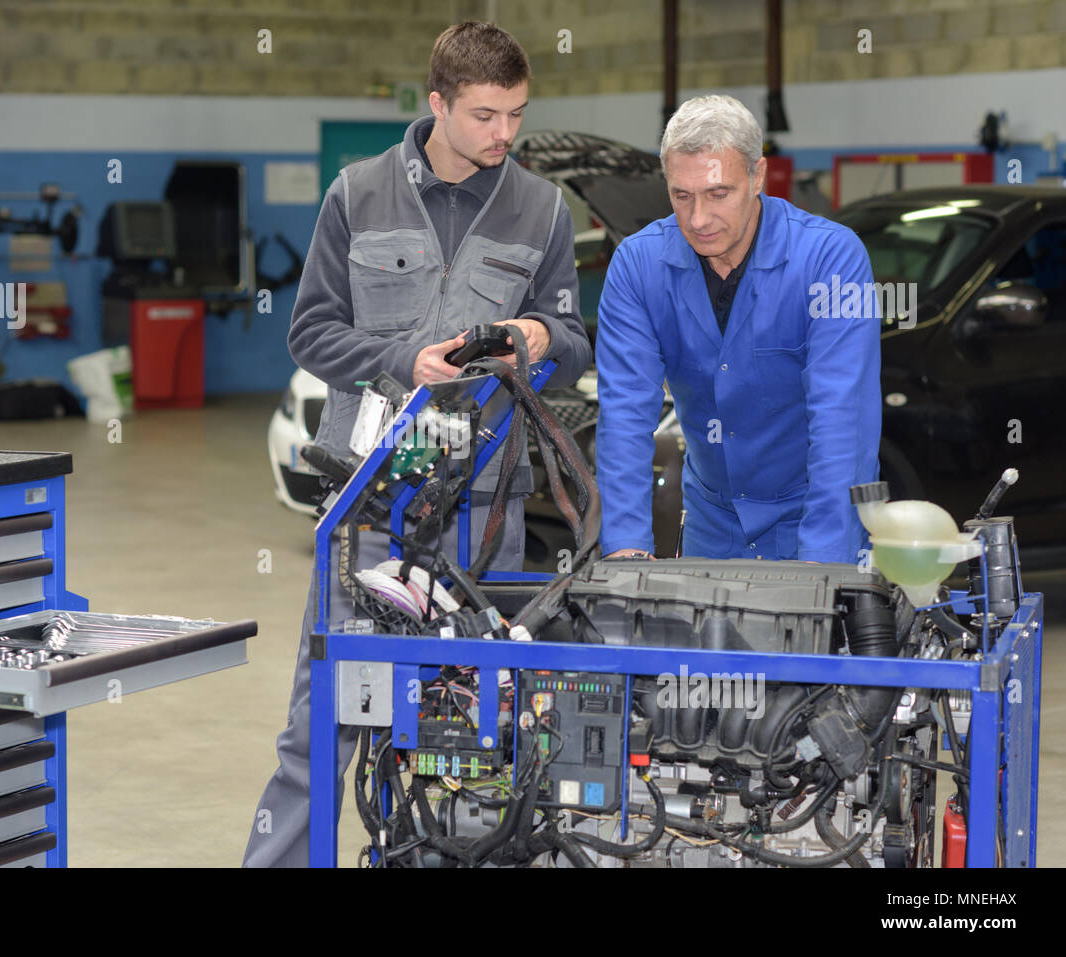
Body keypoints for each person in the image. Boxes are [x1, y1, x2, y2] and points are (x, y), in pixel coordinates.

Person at [244, 21, 592, 867]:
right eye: (483, 114)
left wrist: (539, 339)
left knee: (473, 732)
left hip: (484, 518)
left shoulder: (541, 207)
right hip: (369, 513)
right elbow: (311, 332)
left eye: (515, 112)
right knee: (321, 721)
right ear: (436, 104)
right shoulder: (356, 195)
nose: (504, 133)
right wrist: (404, 360)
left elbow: (575, 341)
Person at [597, 94, 880, 564]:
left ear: (758, 177)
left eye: (718, 194)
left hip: (814, 517)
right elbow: (625, 416)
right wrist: (627, 548)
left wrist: (825, 563)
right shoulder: (637, 266)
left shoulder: (831, 260)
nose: (698, 219)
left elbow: (842, 423)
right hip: (713, 522)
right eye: (681, 196)